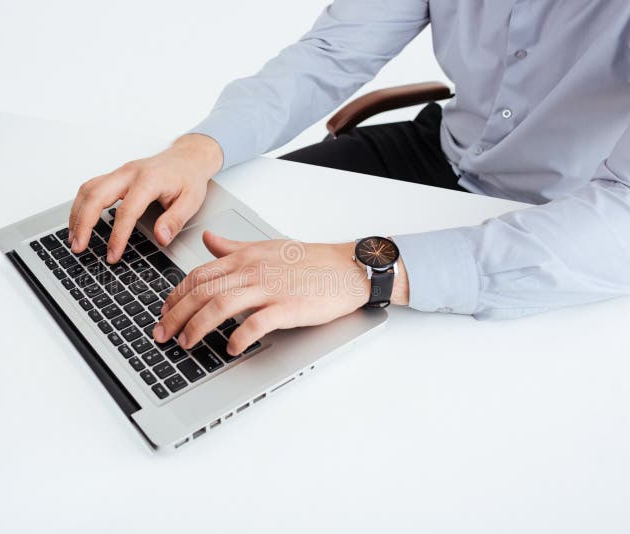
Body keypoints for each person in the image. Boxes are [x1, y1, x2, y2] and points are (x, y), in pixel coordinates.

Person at [68, 1, 630, 355]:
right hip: (439, 149)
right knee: (187, 241)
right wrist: (198, 149)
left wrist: (366, 269)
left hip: (568, 219)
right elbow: (332, 54)